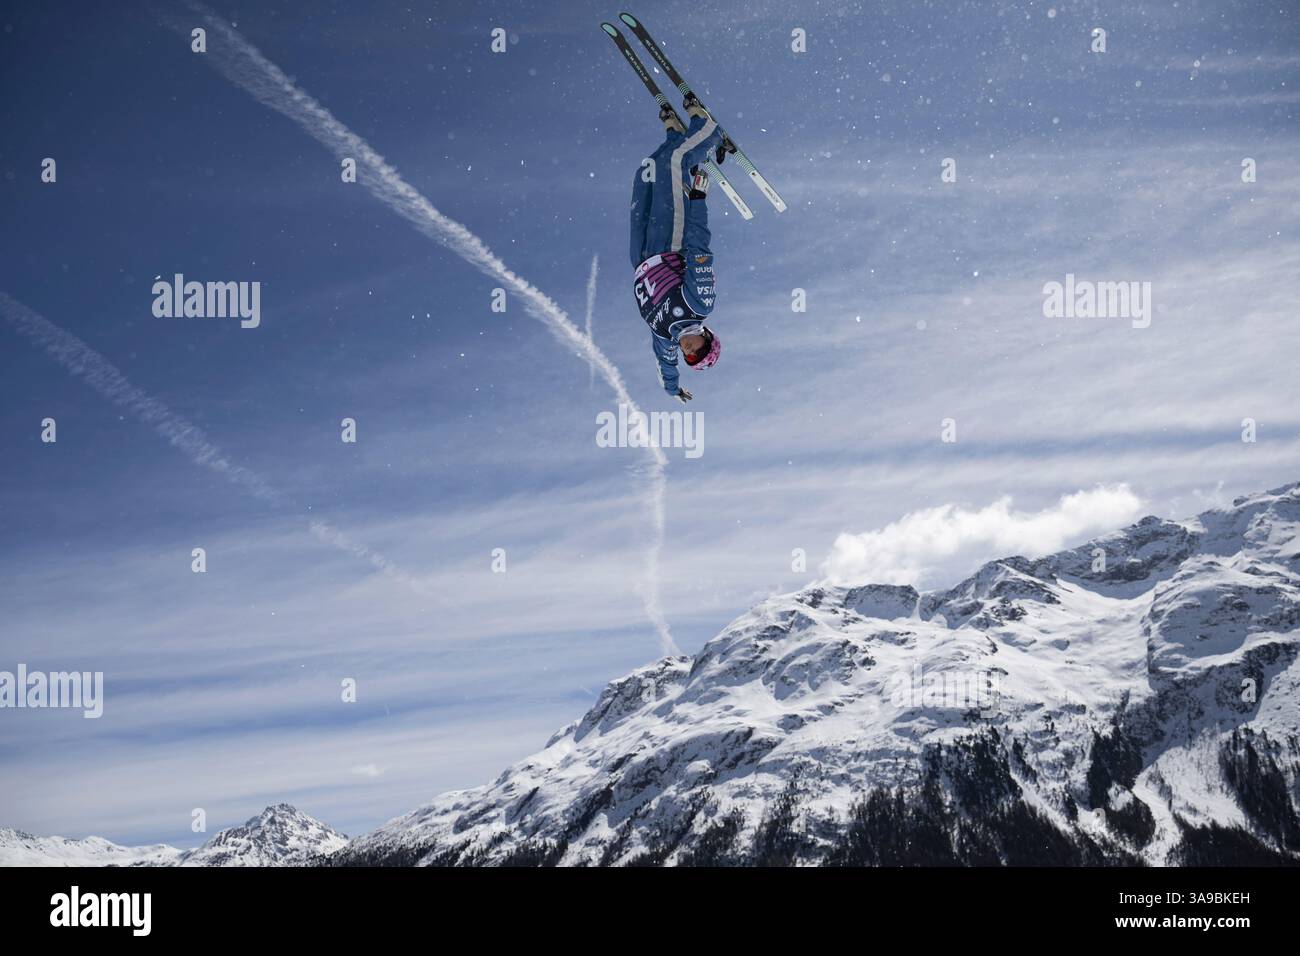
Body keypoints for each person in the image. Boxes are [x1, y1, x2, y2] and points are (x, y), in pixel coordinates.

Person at [629, 95, 729, 402]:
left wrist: (672, 389)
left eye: (691, 358)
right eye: (698, 351)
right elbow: (701, 251)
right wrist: (697, 200)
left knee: (646, 172)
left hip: (642, 254)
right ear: (706, 338)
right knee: (674, 165)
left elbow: (665, 364)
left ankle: (674, 136)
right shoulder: (700, 305)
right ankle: (709, 132)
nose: (689, 351)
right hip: (672, 240)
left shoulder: (666, 337)